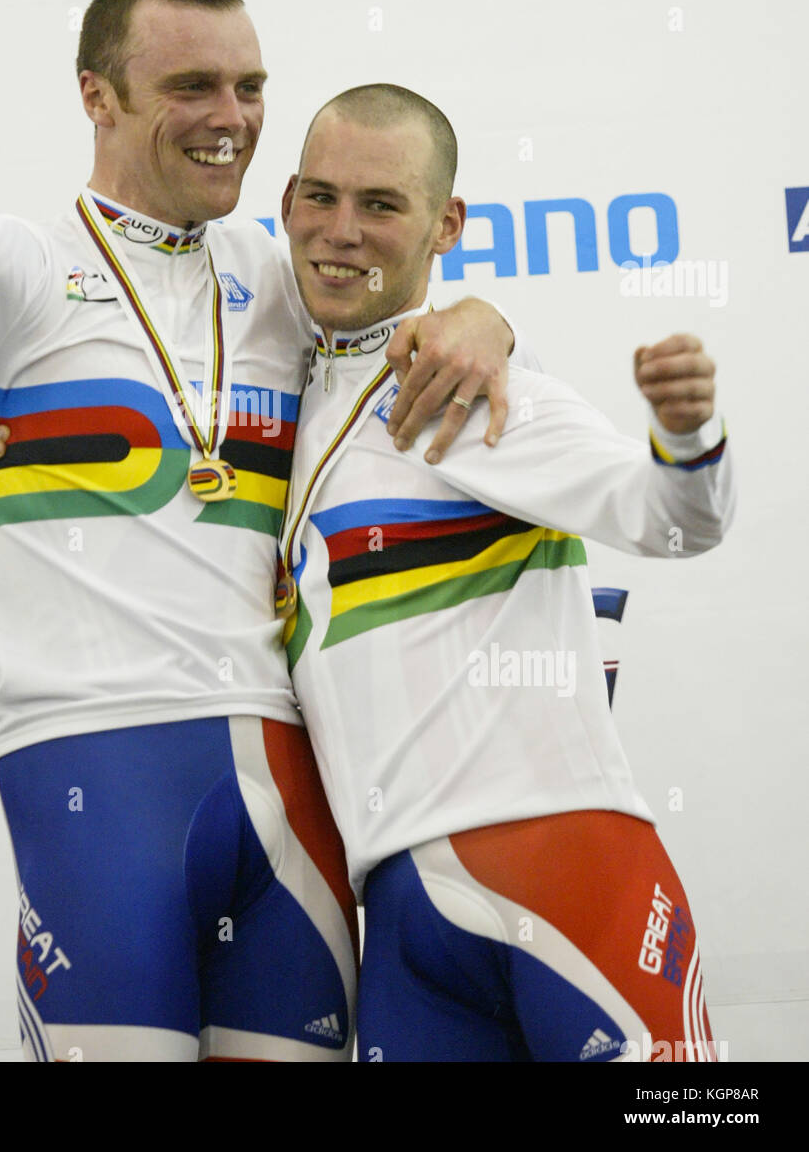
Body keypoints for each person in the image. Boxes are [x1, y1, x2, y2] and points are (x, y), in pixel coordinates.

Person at [0, 0, 517, 1063]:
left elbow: (409, 307)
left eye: (248, 85)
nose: (231, 120)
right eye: (190, 86)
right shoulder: (17, 275)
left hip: (287, 790)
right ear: (97, 96)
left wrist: (483, 315)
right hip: (97, 783)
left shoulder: (282, 280)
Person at [267, 82, 734, 1062]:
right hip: (398, 918)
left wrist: (686, 437)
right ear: (285, 201)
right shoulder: (288, 408)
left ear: (445, 224)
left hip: (560, 862)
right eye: (320, 196)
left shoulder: (472, 388)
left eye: (381, 205)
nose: (340, 231)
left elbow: (670, 522)